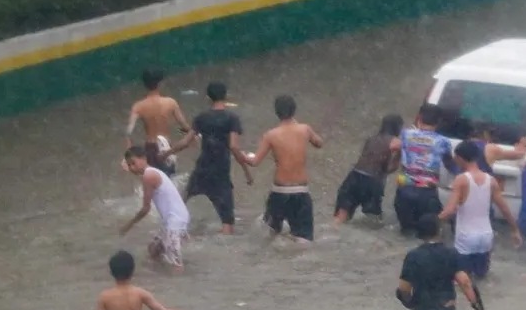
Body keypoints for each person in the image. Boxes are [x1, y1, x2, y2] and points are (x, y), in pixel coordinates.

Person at [172, 82, 252, 236]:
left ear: (208, 97)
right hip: (221, 171)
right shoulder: (232, 118)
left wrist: (166, 153)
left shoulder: (202, 118)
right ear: (226, 96)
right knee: (227, 222)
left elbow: (185, 142)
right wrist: (247, 172)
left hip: (202, 168)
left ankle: (175, 233)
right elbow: (234, 147)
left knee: (181, 202)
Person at [396, 213, 485, 310]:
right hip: (447, 309)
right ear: (439, 230)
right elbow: (465, 282)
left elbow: (403, 289)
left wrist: (412, 304)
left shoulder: (413, 256)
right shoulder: (452, 254)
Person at [245, 95, 323, 242]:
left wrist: (242, 155)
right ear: (294, 110)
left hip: (279, 192)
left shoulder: (271, 135)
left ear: (276, 112)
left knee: (270, 233)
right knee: (304, 240)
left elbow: (254, 162)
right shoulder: (305, 129)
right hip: (301, 191)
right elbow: (319, 143)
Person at [438, 141, 521, 279]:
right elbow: (504, 208)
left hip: (466, 238)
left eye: (456, 157)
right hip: (486, 237)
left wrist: (433, 223)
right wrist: (515, 229)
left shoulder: (461, 179)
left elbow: (450, 210)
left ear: (460, 158)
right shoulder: (491, 180)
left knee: (463, 279)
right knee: (481, 277)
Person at [120, 145, 192, 272]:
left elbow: (145, 209)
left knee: (175, 263)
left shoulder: (149, 176)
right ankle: (158, 276)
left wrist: (129, 225)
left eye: (133, 163)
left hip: (175, 221)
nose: (132, 168)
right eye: (129, 165)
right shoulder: (151, 172)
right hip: (175, 218)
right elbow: (145, 179)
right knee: (153, 249)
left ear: (144, 158)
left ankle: (179, 280)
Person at [395, 103, 456, 235]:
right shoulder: (443, 142)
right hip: (427, 192)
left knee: (406, 231)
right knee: (428, 232)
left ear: (419, 117)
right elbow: (450, 165)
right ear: (439, 122)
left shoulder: (405, 134)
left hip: (404, 190)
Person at [333, 114, 404, 226]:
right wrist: (399, 156)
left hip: (354, 176)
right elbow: (389, 168)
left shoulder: (371, 139)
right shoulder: (396, 142)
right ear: (398, 127)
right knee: (373, 222)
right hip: (372, 181)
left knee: (341, 216)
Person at [126, 68, 190, 175]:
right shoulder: (171, 102)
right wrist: (186, 135)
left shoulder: (138, 106)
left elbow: (129, 132)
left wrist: (129, 155)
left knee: (152, 178)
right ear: (160, 83)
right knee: (169, 178)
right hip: (166, 147)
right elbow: (185, 127)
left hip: (150, 148)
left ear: (144, 84)